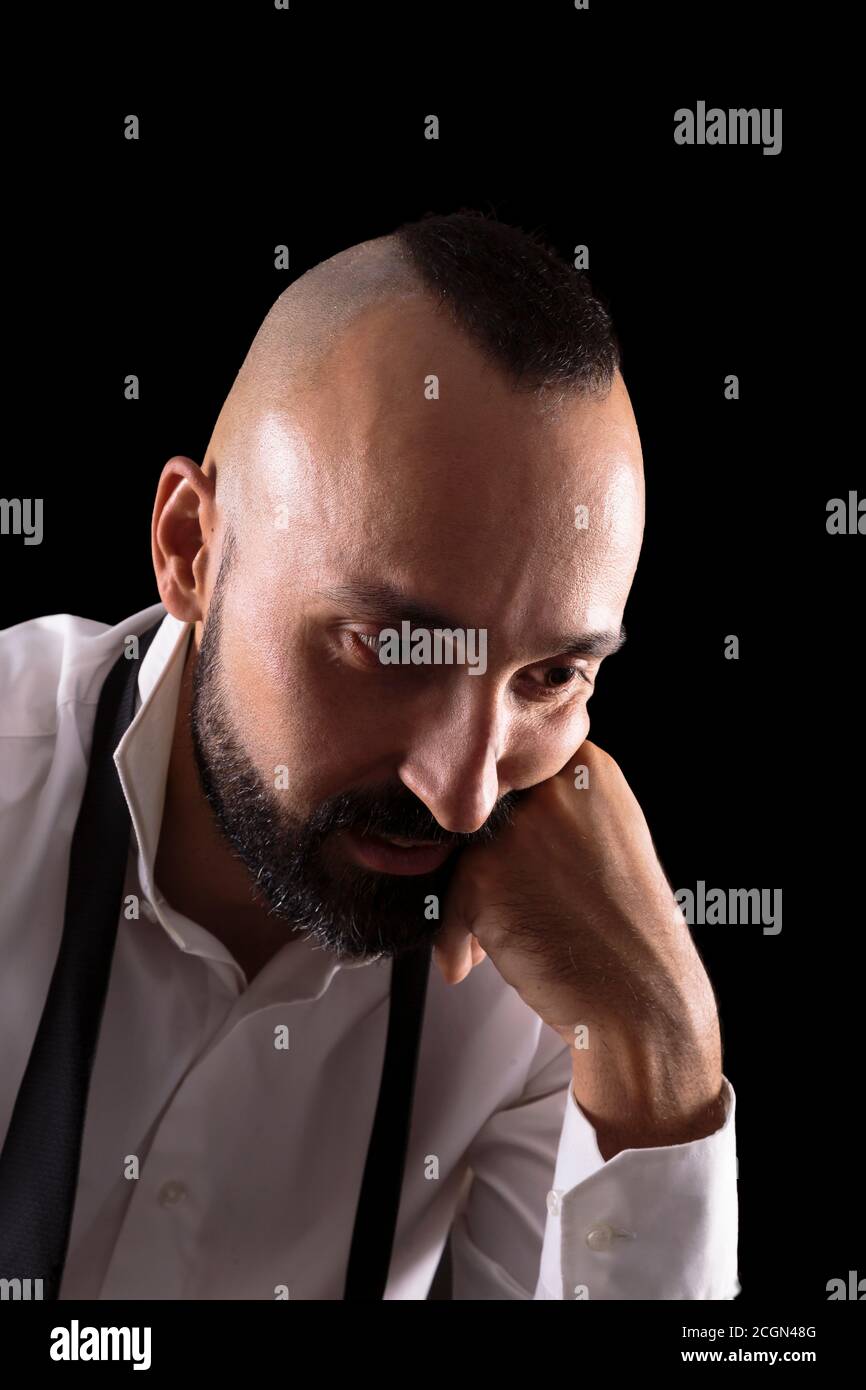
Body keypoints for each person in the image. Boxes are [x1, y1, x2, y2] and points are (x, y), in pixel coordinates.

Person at [0, 210, 738, 1299]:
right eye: (392, 649)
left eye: (548, 676)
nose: (459, 792)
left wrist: (658, 1072)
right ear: (191, 550)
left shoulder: (555, 982)